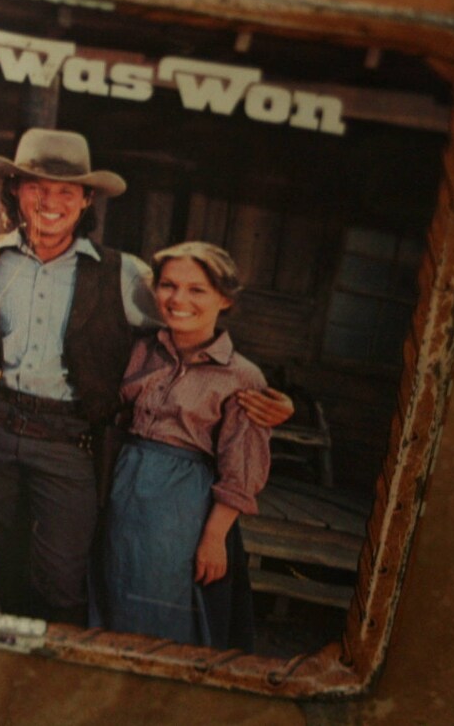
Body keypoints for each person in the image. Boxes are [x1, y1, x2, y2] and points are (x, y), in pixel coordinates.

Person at [0, 128, 291, 625]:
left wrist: (253, 391)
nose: (50, 201)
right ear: (16, 190)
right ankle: (13, 659)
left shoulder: (123, 273)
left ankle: (59, 665)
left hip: (70, 440)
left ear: (86, 200)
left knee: (64, 576)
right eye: (36, 186)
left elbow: (188, 327)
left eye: (66, 190)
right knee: (5, 560)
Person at [94, 242, 271, 648]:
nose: (179, 299)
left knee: (164, 609)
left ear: (224, 299)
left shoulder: (242, 376)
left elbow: (241, 468)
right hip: (123, 490)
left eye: (197, 290)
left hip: (180, 506)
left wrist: (213, 538)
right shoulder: (141, 349)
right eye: (169, 286)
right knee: (114, 598)